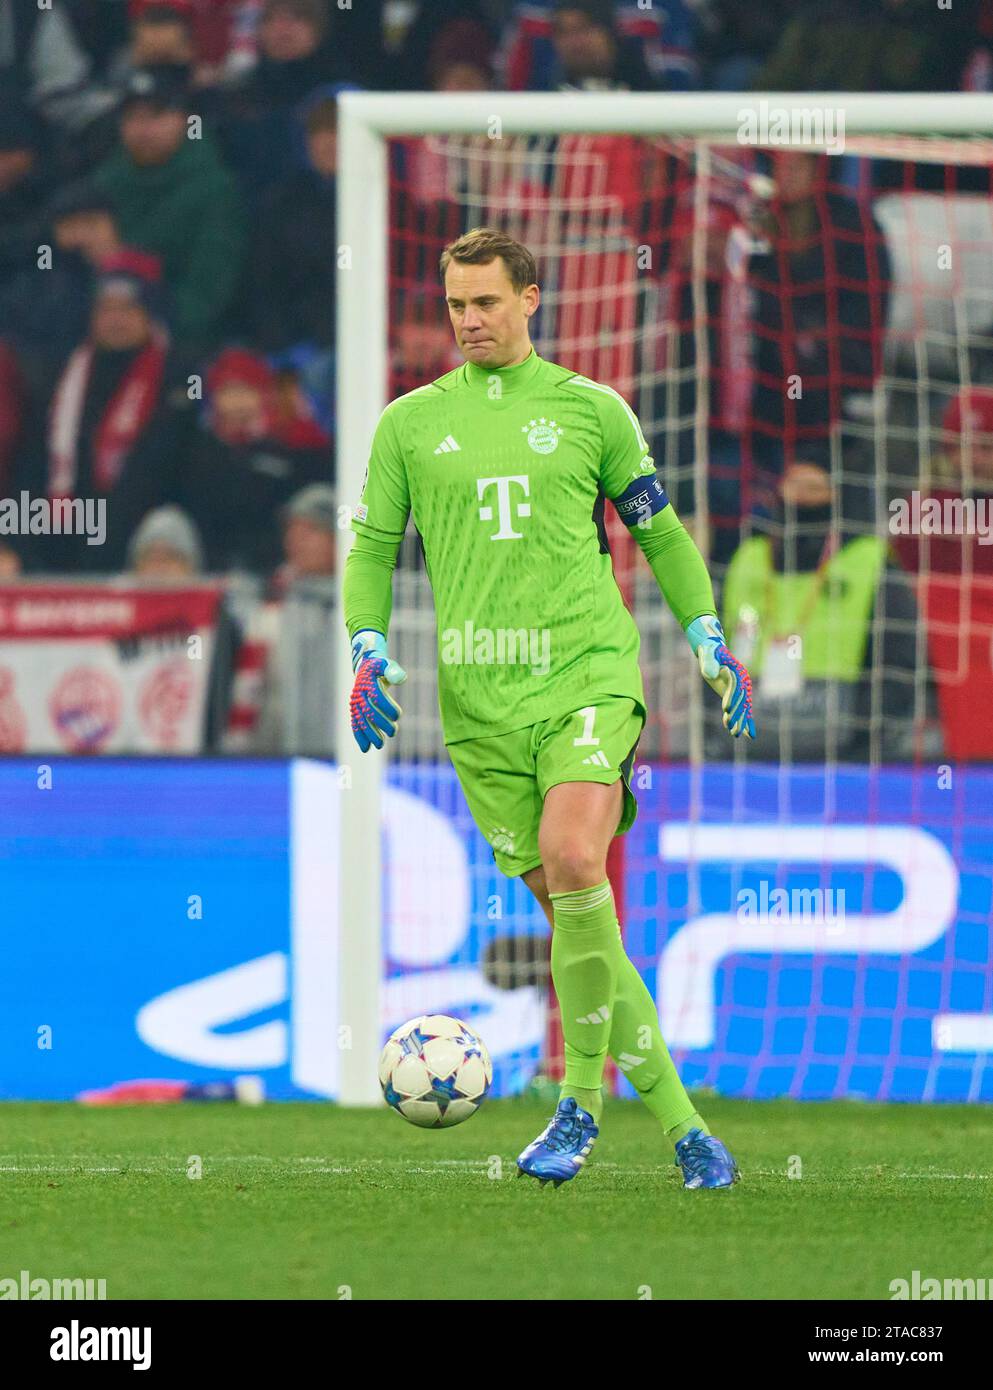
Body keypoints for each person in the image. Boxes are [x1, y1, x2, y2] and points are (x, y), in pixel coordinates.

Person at [344, 226, 755, 1189]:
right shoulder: (407, 424)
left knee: (578, 858)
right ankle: (688, 1130)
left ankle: (577, 1105)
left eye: (487, 302)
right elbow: (368, 551)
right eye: (455, 305)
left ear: (531, 299)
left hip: (586, 674)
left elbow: (658, 532)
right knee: (584, 921)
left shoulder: (589, 411)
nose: (470, 321)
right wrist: (366, 644)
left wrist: (702, 632)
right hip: (478, 704)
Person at [93, 66, 247, 354]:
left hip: (181, 344)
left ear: (186, 122)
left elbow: (207, 295)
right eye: (133, 118)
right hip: (98, 339)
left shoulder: (214, 188)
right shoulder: (102, 184)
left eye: (156, 116)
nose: (144, 129)